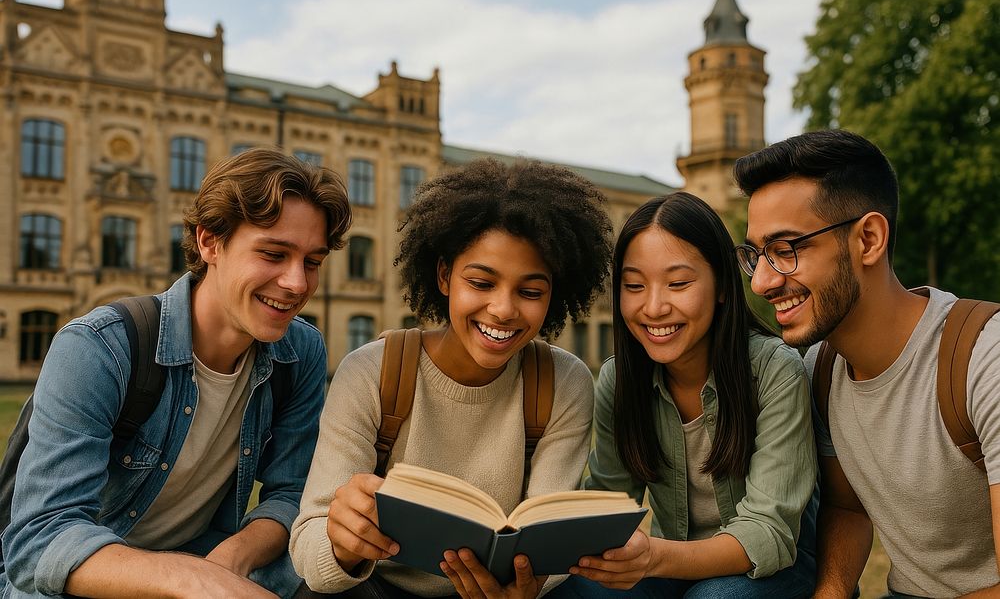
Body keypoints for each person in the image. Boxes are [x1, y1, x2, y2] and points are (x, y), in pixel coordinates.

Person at [1, 147, 352, 599]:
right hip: (88, 579)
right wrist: (192, 581)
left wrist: (228, 563)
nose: (297, 283)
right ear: (210, 243)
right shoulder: (97, 347)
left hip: (206, 560)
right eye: (273, 254)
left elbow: (292, 496)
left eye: (312, 261)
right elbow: (40, 540)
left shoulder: (300, 350)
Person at [289, 157, 613, 598]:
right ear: (444, 275)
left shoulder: (564, 381)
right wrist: (344, 545)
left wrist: (528, 585)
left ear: (554, 294)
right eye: (481, 283)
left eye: (531, 291)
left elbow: (548, 537)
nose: (503, 309)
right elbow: (310, 550)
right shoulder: (371, 371)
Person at [733, 129, 1000, 597]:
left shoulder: (985, 359)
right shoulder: (821, 370)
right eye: (757, 255)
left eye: (786, 250)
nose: (762, 283)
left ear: (870, 239)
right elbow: (849, 508)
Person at [550, 192, 817, 599]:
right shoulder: (619, 379)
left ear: (724, 287)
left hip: (773, 571)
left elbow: (769, 532)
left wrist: (654, 558)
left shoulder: (774, 370)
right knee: (571, 591)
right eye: (634, 286)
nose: (654, 307)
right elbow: (608, 500)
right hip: (672, 565)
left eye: (678, 283)